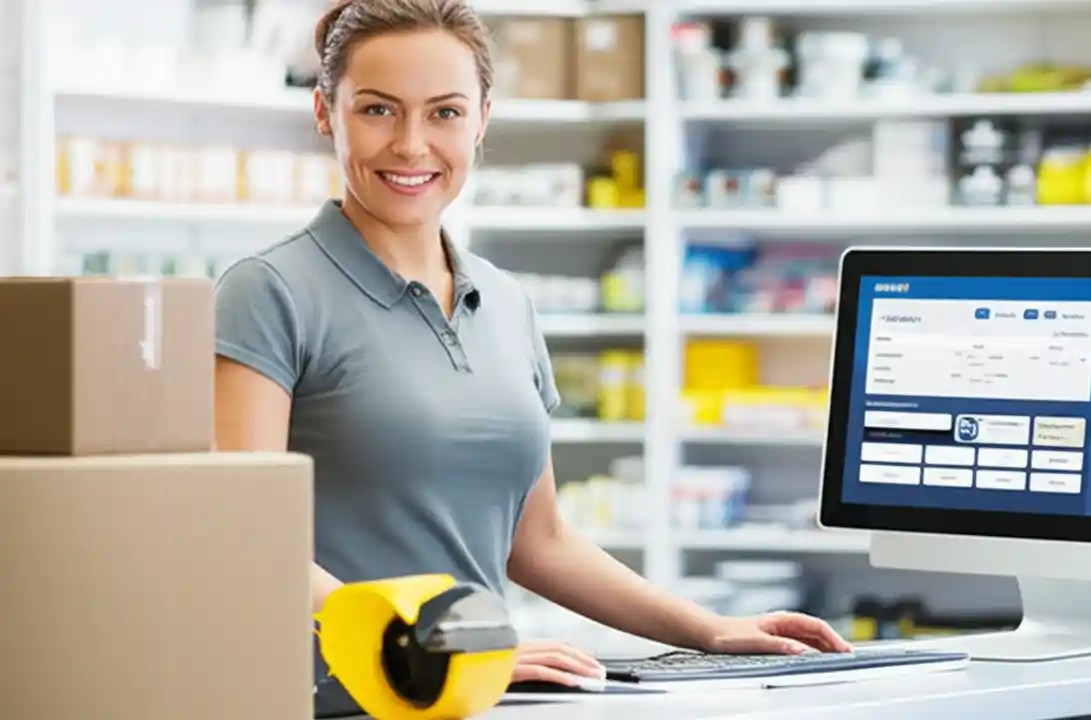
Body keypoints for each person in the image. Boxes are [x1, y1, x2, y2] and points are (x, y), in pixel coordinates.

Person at [213, 0, 852, 691]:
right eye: (377, 110)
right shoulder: (268, 292)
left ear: (482, 118)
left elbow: (538, 542)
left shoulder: (506, 303)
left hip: (471, 694)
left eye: (445, 112)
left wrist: (707, 629)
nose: (411, 144)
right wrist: (430, 648)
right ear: (323, 113)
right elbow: (250, 537)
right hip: (340, 700)